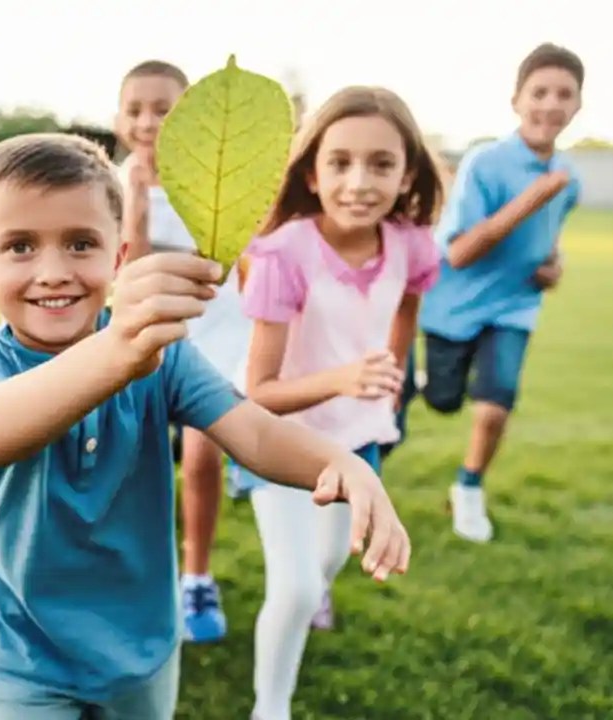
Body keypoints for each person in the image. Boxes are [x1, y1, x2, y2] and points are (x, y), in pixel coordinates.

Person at [0, 132, 411, 720]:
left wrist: (343, 464)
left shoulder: (165, 358)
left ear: (118, 256)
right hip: (20, 659)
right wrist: (118, 347)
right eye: (20, 247)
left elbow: (256, 434)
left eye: (82, 244)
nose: (54, 271)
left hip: (143, 652)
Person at [230, 86, 443, 720]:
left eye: (381, 163)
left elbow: (405, 305)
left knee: (325, 563)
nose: (360, 181)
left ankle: (313, 595)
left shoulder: (411, 245)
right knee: (294, 587)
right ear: (312, 173)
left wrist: (393, 370)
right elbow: (259, 393)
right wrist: (342, 378)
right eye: (341, 162)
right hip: (282, 440)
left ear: (407, 173)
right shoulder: (283, 255)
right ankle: (270, 708)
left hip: (359, 436)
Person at [418, 42, 585, 543]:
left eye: (564, 94)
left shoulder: (569, 177)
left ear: (578, 106)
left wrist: (554, 266)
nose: (551, 104)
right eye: (540, 92)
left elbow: (550, 241)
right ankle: (431, 380)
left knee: (496, 403)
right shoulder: (484, 163)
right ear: (516, 100)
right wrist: (532, 198)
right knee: (445, 402)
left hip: (515, 306)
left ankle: (469, 489)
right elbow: (461, 253)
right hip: (454, 307)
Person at [115, 59, 250, 643]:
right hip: (149, 336)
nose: (148, 122)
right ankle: (139, 577)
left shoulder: (211, 180)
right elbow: (129, 272)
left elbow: (230, 262)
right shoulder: (117, 181)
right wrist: (138, 205)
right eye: (135, 108)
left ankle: (196, 576)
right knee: (136, 464)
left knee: (199, 459)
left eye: (164, 109)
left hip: (215, 334)